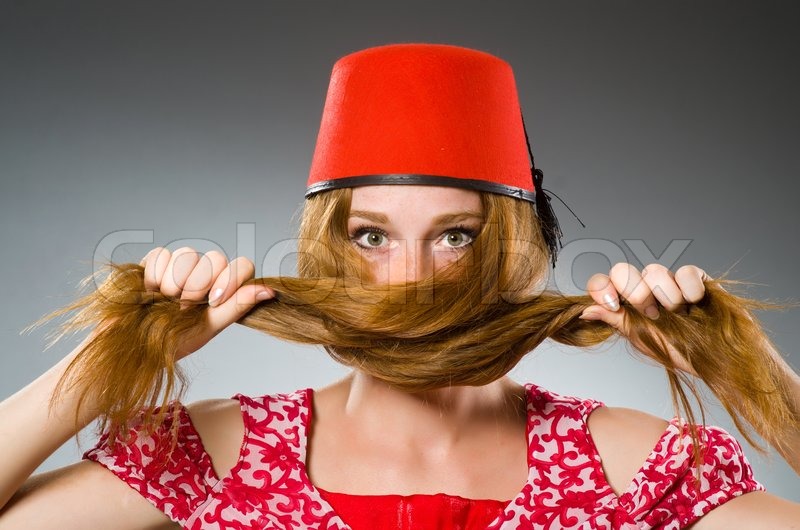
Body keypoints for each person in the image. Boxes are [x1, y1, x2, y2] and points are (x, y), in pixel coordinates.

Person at [1, 43, 799, 529]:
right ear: (327, 249)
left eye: (457, 236)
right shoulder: (214, 455)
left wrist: (746, 372)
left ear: (519, 254)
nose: (412, 279)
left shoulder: (637, 466)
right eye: (372, 236)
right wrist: (117, 358)